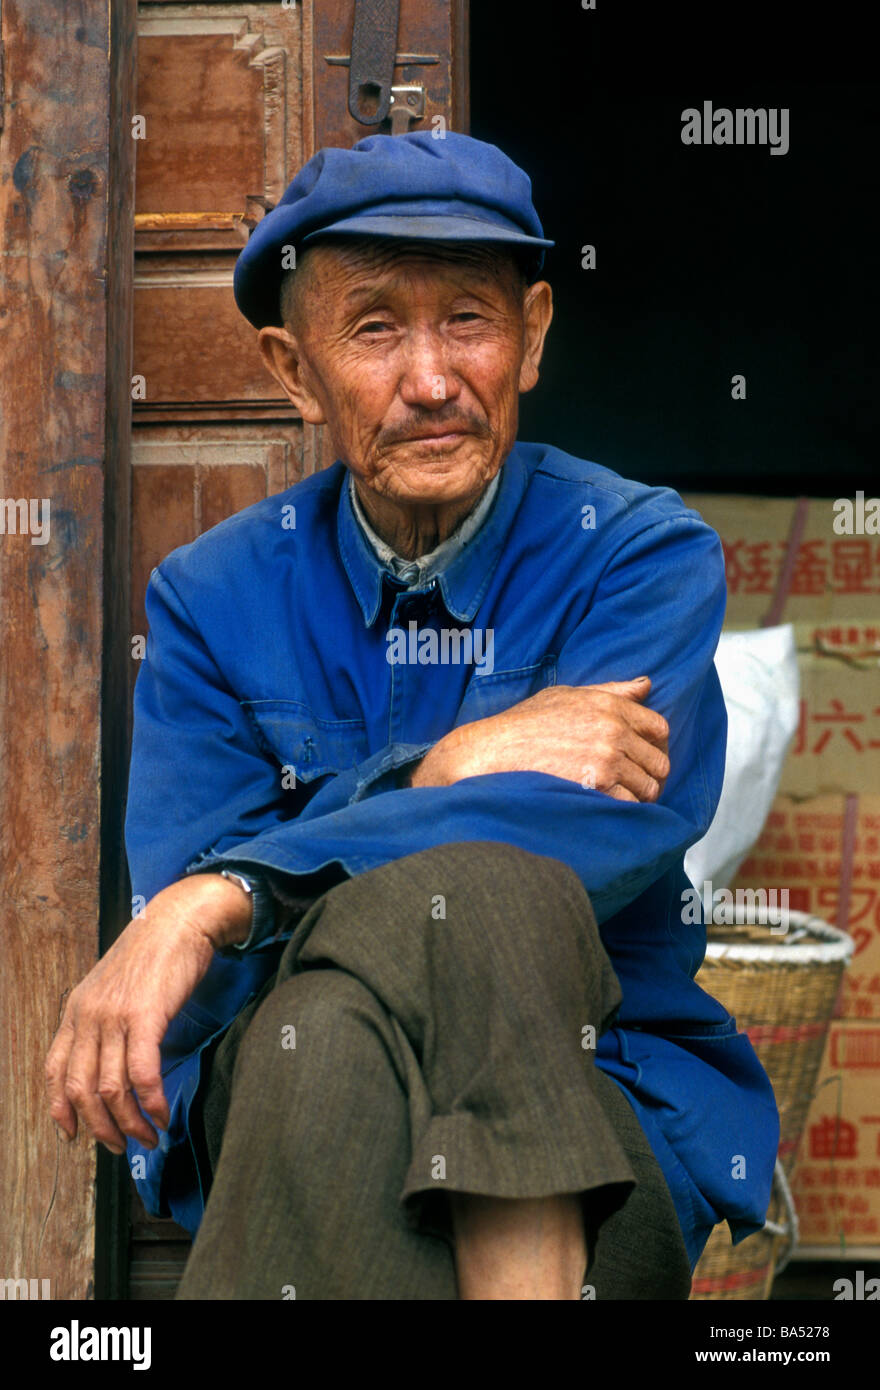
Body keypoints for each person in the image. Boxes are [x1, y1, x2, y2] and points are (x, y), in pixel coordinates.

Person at [46, 131, 779, 1300]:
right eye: (376, 328)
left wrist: (236, 888)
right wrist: (443, 772)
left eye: (469, 323)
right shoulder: (212, 595)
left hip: (602, 1105)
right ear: (295, 370)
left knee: (480, 904)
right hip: (286, 1071)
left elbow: (584, 837)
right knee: (332, 1033)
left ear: (532, 336)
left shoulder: (640, 554)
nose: (432, 380)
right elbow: (217, 985)